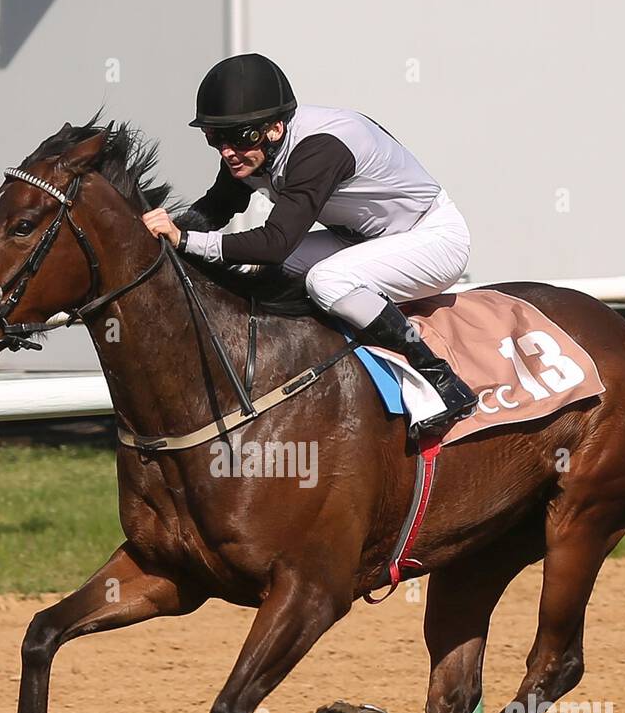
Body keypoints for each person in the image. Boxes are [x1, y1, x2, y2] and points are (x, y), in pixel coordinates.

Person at [142, 53, 477, 441]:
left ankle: (440, 379)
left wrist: (184, 239)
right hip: (361, 238)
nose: (227, 151)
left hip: (431, 238)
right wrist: (154, 241)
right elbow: (216, 209)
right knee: (267, 280)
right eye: (215, 138)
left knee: (326, 280)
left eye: (237, 138)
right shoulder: (251, 150)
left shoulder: (319, 149)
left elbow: (275, 243)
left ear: (275, 129)